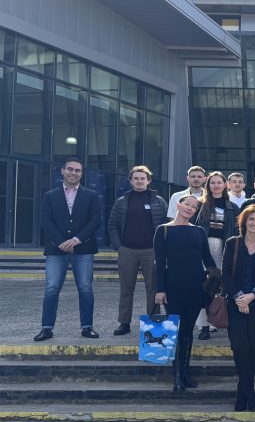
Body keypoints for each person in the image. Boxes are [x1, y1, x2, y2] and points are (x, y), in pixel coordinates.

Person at [153, 194, 216, 393]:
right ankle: (177, 374)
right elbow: (159, 263)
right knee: (176, 331)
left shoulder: (198, 231)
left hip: (196, 288)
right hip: (173, 288)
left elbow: (208, 260)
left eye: (194, 207)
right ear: (179, 205)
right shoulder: (163, 231)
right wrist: (159, 289)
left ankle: (186, 372)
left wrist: (216, 284)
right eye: (187, 205)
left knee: (188, 331)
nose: (189, 208)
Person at [35, 157, 101, 342]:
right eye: (70, 169)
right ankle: (46, 328)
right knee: (52, 288)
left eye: (77, 170)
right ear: (62, 171)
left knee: (86, 288)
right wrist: (61, 242)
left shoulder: (91, 195)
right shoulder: (49, 195)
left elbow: (95, 220)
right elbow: (45, 221)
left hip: (84, 248)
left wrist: (76, 240)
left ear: (82, 173)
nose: (73, 173)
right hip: (56, 249)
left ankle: (87, 327)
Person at [222, 205, 255, 411]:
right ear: (244, 221)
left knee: (252, 347)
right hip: (235, 304)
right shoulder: (232, 243)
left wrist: (252, 296)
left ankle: (244, 390)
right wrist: (239, 298)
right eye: (251, 219)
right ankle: (247, 391)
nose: (254, 223)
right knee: (239, 347)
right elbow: (226, 273)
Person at [108, 165, 168, 336]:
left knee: (154, 290)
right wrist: (118, 246)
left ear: (148, 181)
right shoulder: (122, 201)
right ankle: (124, 323)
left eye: (143, 178)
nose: (139, 181)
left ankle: (153, 323)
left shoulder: (159, 201)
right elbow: (112, 225)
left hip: (152, 251)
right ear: (131, 181)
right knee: (126, 289)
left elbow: (165, 225)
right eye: (136, 178)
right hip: (127, 251)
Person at [192, 171, 241, 340]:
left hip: (224, 248)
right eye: (212, 182)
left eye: (219, 182)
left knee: (221, 287)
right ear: (208, 185)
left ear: (225, 184)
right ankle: (204, 326)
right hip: (204, 248)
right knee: (204, 287)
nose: (216, 185)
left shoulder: (232, 207)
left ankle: (220, 319)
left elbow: (236, 231)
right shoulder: (199, 204)